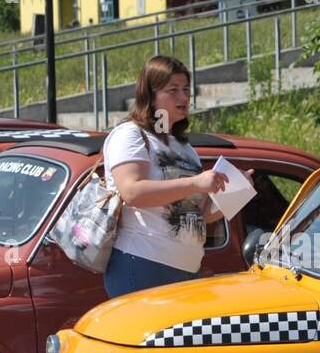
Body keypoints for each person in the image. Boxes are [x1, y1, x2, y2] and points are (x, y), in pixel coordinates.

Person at [101, 55, 238, 298]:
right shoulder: (130, 135)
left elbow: (203, 214)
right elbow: (132, 192)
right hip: (143, 264)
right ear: (150, 96)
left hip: (188, 270)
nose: (183, 97)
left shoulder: (186, 148)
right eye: (173, 90)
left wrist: (235, 192)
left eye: (186, 89)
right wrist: (196, 182)